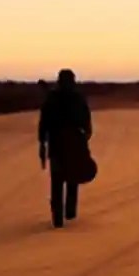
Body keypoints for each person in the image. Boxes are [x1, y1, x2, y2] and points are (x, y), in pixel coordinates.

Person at [37, 68, 92, 228]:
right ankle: (69, 212)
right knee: (72, 177)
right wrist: (84, 138)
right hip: (73, 145)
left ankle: (58, 217)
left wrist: (42, 143)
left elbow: (43, 123)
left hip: (57, 145)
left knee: (57, 181)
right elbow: (86, 122)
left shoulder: (52, 98)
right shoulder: (78, 98)